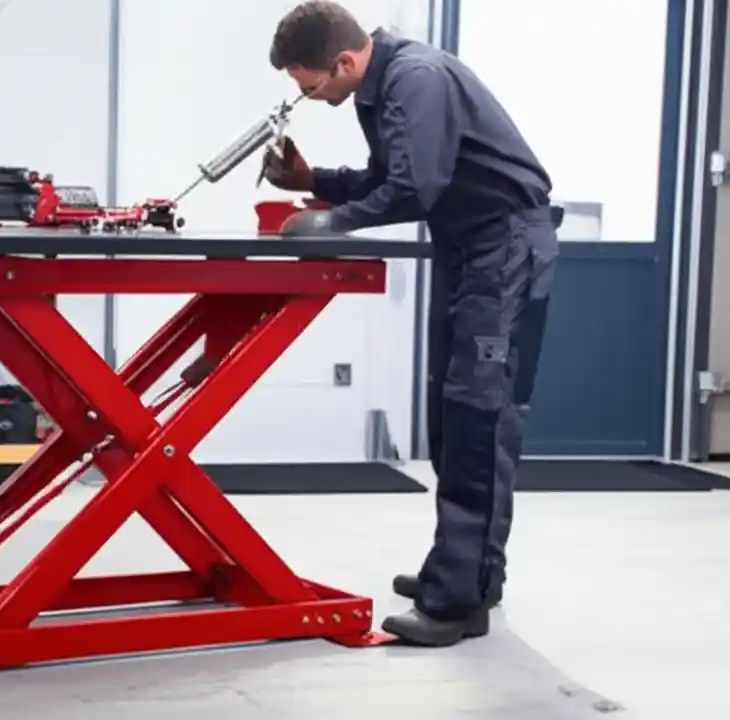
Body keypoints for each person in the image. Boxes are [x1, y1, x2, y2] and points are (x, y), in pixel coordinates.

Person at [262, 1, 560, 647]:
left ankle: (458, 605)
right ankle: (469, 574)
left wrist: (332, 223)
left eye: (309, 84)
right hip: (469, 246)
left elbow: (416, 187)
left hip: (505, 246)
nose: (309, 97)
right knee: (452, 412)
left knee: (480, 415)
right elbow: (389, 177)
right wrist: (317, 182)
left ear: (343, 60)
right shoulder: (379, 84)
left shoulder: (416, 76)